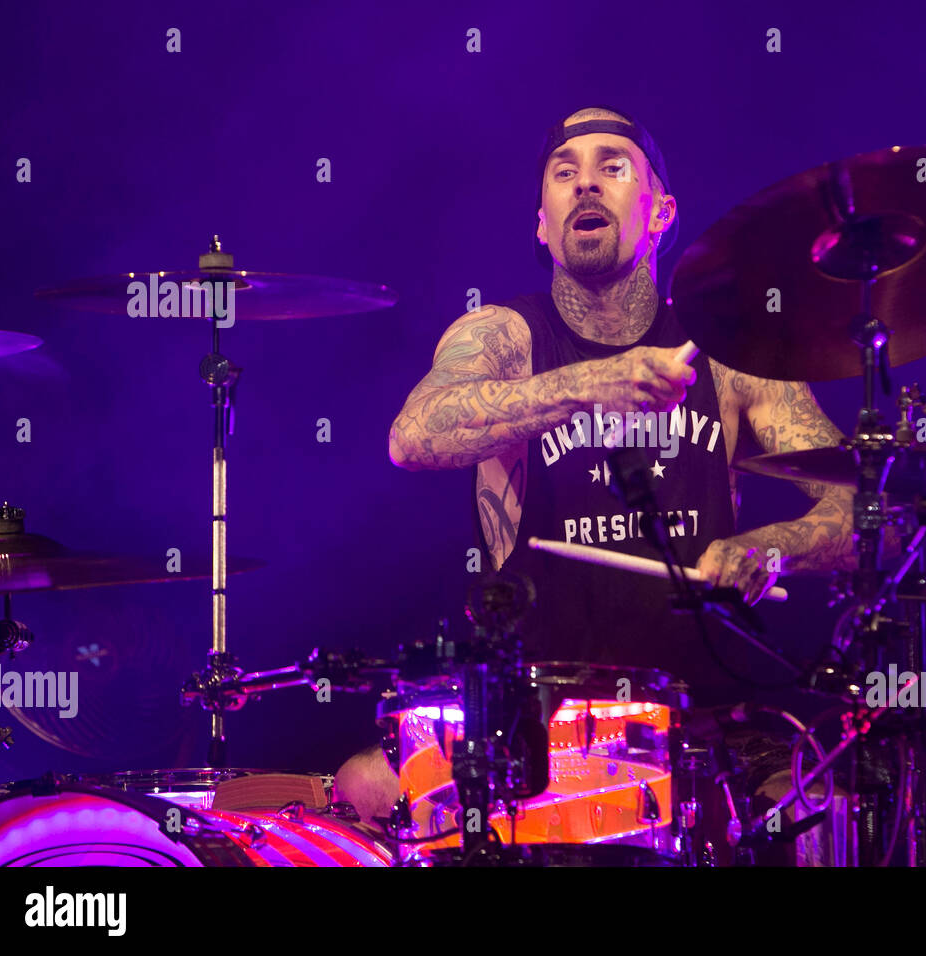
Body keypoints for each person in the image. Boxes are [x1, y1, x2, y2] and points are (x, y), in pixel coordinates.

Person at [336, 106, 861, 861]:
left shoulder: (729, 356)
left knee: (824, 816)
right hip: (534, 724)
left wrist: (772, 546)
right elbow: (413, 437)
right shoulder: (502, 335)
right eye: (564, 172)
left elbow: (860, 508)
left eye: (613, 165)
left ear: (663, 212)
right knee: (361, 787)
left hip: (700, 720)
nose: (586, 181)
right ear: (543, 225)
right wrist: (592, 382)